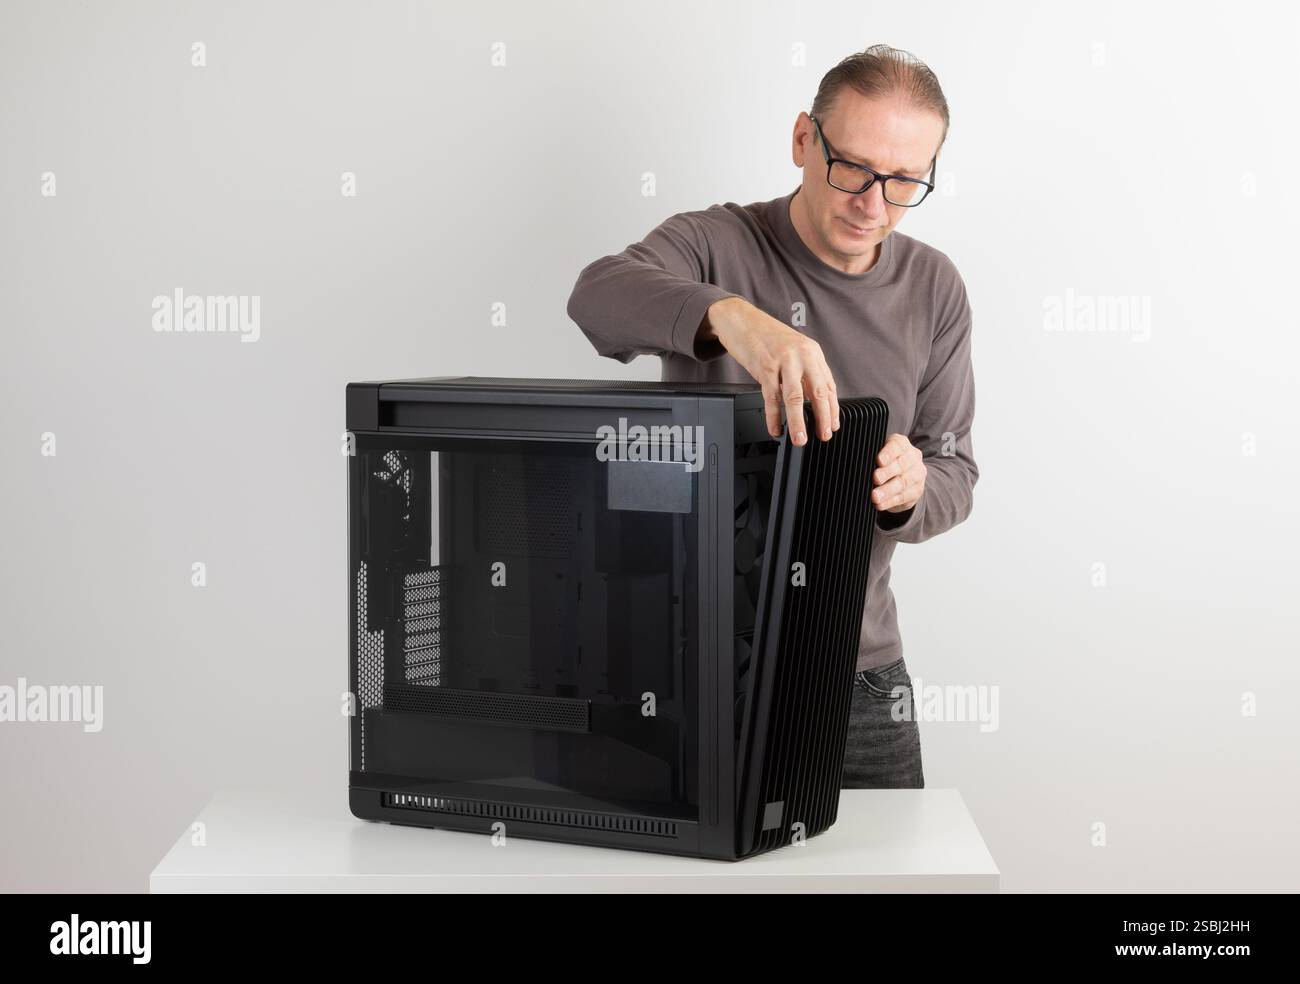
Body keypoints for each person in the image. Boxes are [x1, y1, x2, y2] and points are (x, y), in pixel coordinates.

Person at [566, 44, 978, 789]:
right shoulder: (714, 242)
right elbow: (595, 298)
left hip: (856, 678)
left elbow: (955, 472)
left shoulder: (935, 287)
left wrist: (912, 487)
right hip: (688, 667)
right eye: (852, 167)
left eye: (905, 181)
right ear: (802, 140)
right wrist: (732, 319)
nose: (873, 203)